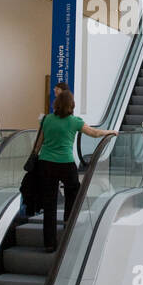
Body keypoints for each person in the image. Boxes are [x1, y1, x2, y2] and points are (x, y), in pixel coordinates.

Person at [36, 91, 116, 251]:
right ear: (71, 105)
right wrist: (110, 132)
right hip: (65, 163)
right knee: (73, 190)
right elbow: (94, 133)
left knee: (49, 204)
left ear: (56, 104)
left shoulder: (46, 120)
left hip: (46, 163)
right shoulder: (74, 122)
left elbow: (38, 144)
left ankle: (49, 244)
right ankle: (68, 219)